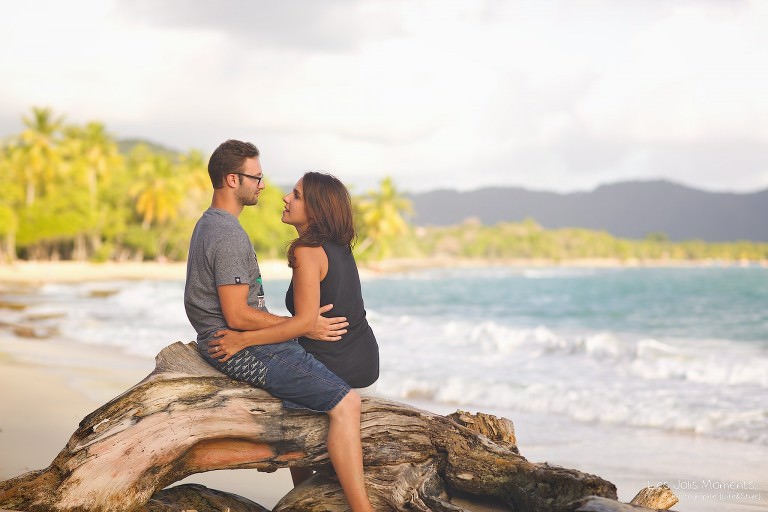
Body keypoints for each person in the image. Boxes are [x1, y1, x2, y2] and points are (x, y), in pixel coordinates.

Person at [184, 139, 373, 512]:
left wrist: (300, 326)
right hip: (231, 341)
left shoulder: (213, 225)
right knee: (347, 403)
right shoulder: (227, 233)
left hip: (236, 338)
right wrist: (303, 326)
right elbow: (237, 317)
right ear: (232, 180)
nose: (265, 186)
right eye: (257, 177)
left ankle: (300, 499)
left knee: (307, 405)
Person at [215, 171, 380, 486]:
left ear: (316, 210)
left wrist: (242, 340)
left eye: (297, 195)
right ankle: (303, 492)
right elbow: (306, 323)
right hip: (366, 364)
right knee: (283, 364)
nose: (285, 198)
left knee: (268, 382)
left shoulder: (308, 251)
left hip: (341, 370)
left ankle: (297, 482)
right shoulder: (339, 246)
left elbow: (303, 323)